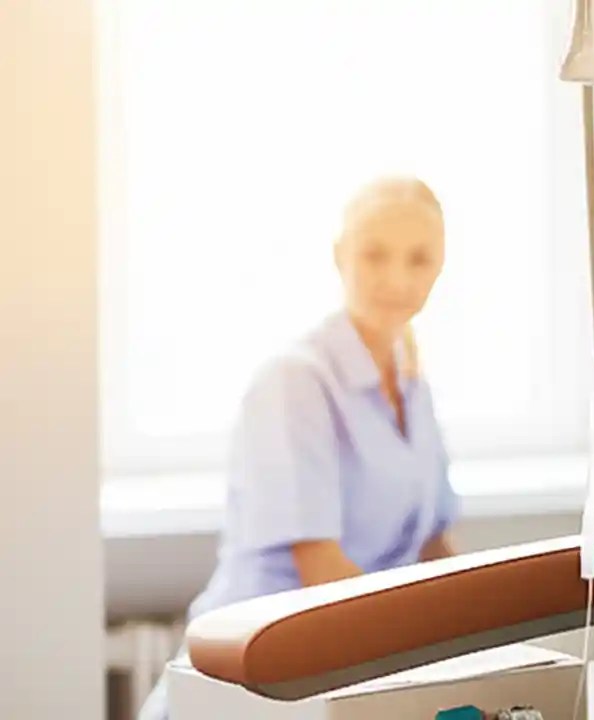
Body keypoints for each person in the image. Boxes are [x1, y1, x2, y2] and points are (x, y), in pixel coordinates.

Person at [138, 175, 460, 719]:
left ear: (441, 266)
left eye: (419, 259)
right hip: (252, 678)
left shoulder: (413, 384)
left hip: (345, 668)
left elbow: (431, 544)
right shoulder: (294, 383)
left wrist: (487, 629)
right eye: (375, 255)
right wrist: (433, 648)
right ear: (339, 255)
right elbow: (322, 572)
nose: (397, 278)